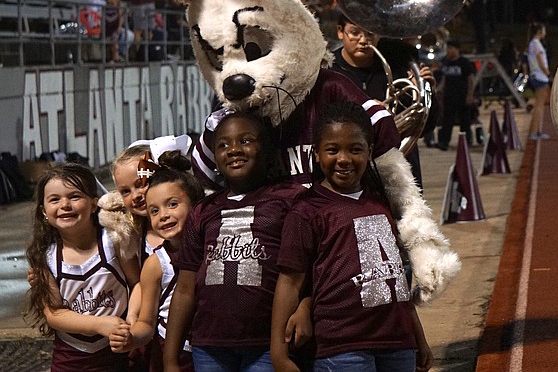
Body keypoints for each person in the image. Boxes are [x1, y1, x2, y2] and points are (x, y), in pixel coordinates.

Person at [270, 101, 433, 372]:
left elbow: (393, 276)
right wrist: (278, 352)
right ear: (317, 153)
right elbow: (289, 282)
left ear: (369, 151)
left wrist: (418, 336)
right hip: (342, 347)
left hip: (397, 342)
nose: (344, 159)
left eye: (355, 149)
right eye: (332, 150)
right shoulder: (307, 210)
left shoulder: (379, 202)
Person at [164, 112, 310, 372]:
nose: (233, 150)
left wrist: (306, 306)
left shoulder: (291, 200)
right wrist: (170, 360)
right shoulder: (203, 211)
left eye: (245, 141)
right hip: (209, 344)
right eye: (223, 144)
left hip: (268, 342)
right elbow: (185, 288)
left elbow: (310, 269)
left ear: (267, 151)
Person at [24, 163, 141, 371]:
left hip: (119, 349)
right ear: (44, 211)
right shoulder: (44, 256)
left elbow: (137, 283)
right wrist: (99, 324)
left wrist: (131, 321)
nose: (65, 205)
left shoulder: (113, 240)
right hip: (70, 357)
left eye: (74, 196)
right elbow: (54, 314)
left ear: (94, 204)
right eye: (54, 199)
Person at [109, 151, 206, 371]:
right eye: (154, 210)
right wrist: (132, 334)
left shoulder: (213, 247)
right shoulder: (152, 260)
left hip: (214, 347)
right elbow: (146, 318)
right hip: (171, 349)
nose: (163, 215)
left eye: (172, 204)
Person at [331, 13, 438, 188]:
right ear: (340, 32)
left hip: (400, 170)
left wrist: (427, 91)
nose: (363, 40)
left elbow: (425, 126)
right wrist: (370, 114)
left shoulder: (399, 67)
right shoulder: (329, 71)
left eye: (370, 34)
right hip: (349, 172)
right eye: (355, 32)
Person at [436, 39, 476, 150]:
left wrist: (470, 95)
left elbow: (470, 79)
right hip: (449, 96)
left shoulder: (464, 62)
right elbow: (444, 78)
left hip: (462, 95)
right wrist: (439, 89)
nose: (448, 51)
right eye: (448, 48)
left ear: (457, 49)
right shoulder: (446, 63)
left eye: (451, 48)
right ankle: (444, 142)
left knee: (465, 121)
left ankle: (466, 142)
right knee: (447, 120)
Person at [526, 23, 551, 140]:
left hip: (537, 75)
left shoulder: (533, 44)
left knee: (538, 104)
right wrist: (548, 74)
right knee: (539, 106)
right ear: (540, 31)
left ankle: (536, 131)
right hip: (540, 76)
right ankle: (535, 132)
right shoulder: (536, 44)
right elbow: (540, 62)